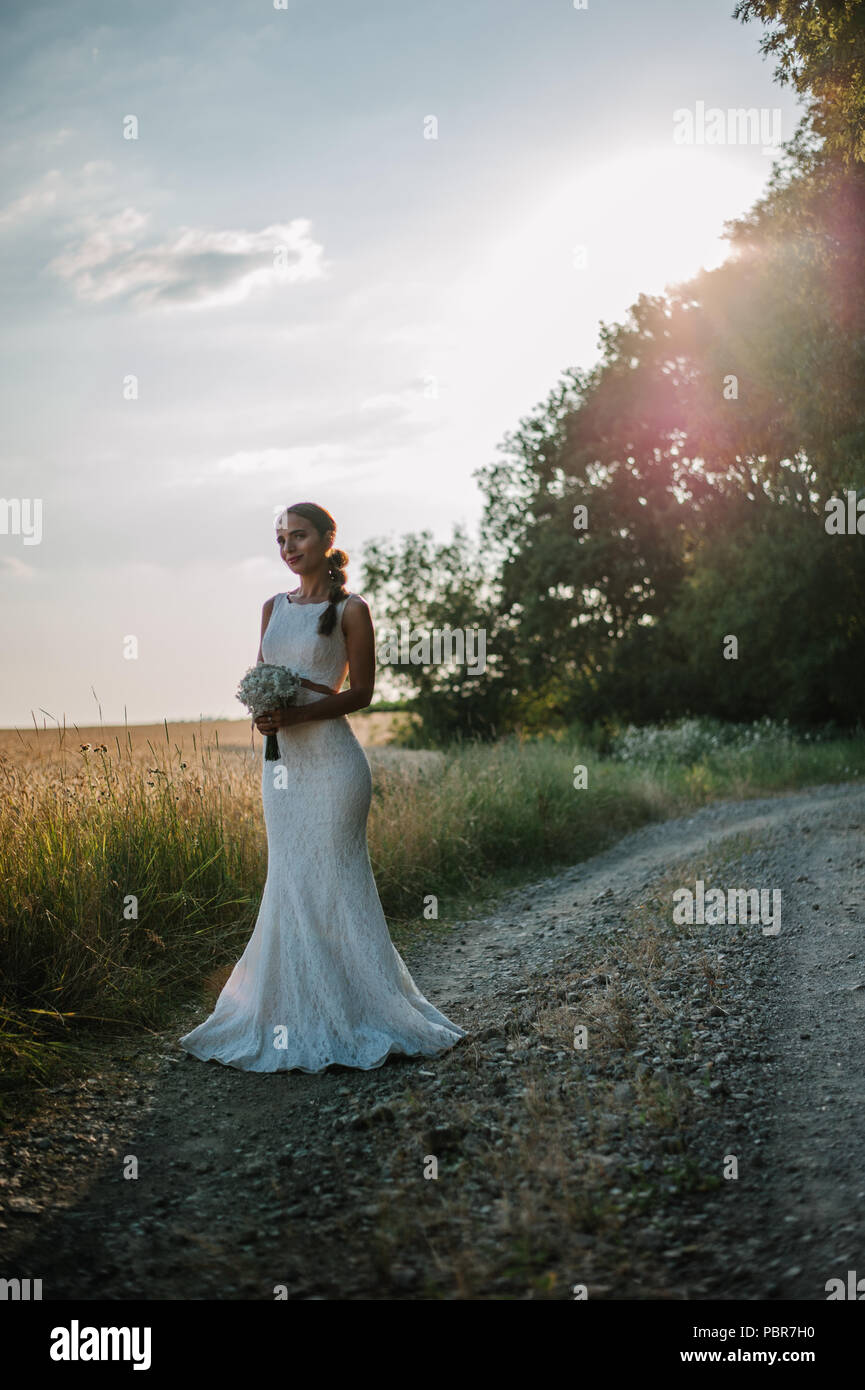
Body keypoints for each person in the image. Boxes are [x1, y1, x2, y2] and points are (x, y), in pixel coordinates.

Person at [179, 501, 466, 1072]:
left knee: (335, 881)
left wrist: (298, 717)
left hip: (334, 768)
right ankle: (289, 1011)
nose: (288, 547)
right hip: (281, 767)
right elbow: (259, 675)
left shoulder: (350, 610)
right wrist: (263, 713)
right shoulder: (271, 608)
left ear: (326, 539)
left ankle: (360, 1012)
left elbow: (362, 693)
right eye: (280, 538)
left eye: (299, 536)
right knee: (289, 880)